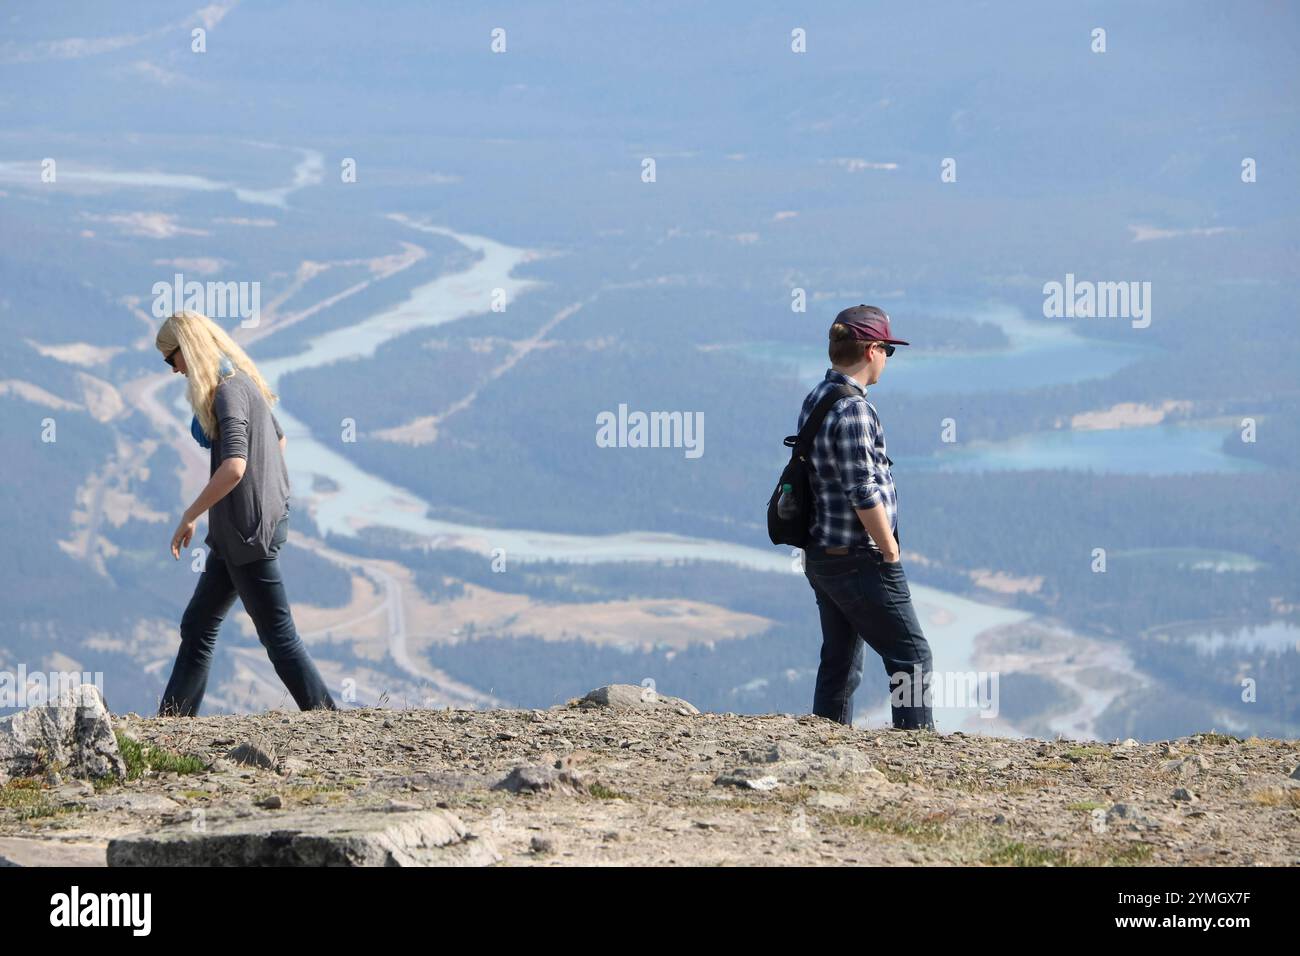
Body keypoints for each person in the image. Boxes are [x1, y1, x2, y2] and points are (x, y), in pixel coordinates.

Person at [155, 309, 336, 716]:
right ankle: (173, 722)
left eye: (172, 359)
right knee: (198, 624)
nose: (173, 369)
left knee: (278, 636)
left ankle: (327, 719)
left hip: (246, 536)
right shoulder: (240, 382)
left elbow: (235, 466)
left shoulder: (227, 393)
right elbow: (279, 439)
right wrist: (262, 493)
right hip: (239, 534)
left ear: (188, 350)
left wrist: (190, 514)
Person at [798, 305, 935, 730]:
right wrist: (889, 549)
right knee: (911, 656)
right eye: (888, 350)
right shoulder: (855, 410)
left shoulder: (819, 396)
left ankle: (825, 744)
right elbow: (862, 488)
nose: (887, 360)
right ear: (872, 349)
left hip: (822, 552)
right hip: (858, 558)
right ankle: (917, 748)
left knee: (840, 659)